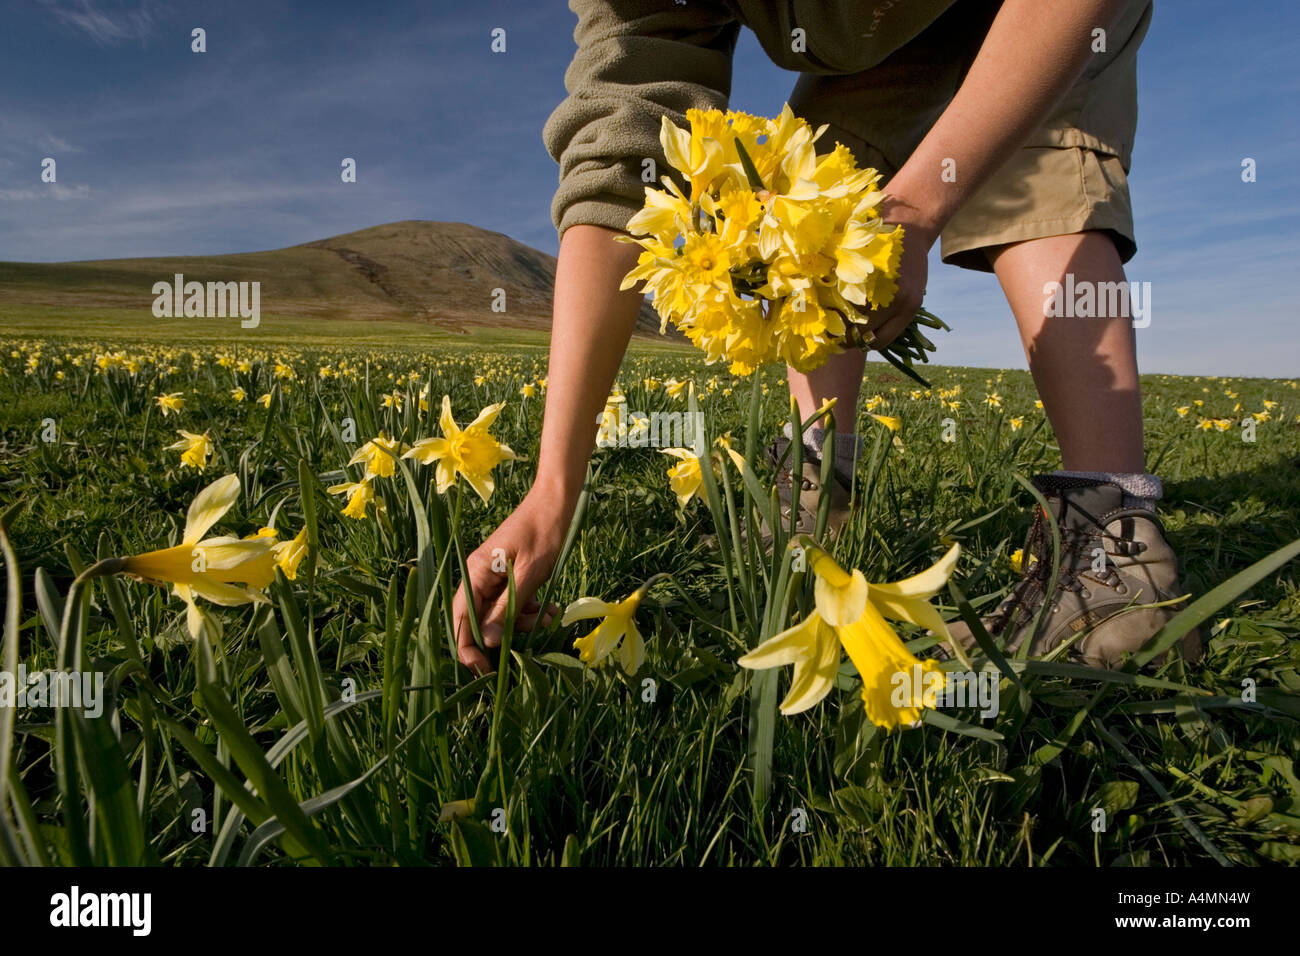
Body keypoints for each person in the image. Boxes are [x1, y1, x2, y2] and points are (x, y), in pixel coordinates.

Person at [451, 0, 1202, 676]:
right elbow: (618, 159)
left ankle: (1116, 549)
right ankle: (815, 489)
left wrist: (915, 207)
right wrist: (553, 490)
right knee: (810, 189)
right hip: (871, 36)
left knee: (1045, 160)